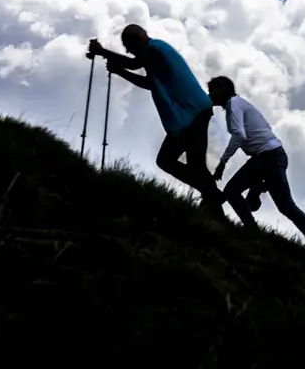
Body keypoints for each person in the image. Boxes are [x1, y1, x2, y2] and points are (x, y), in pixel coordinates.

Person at [86, 26, 256, 227]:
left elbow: (134, 65)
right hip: (195, 112)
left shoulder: (153, 51)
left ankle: (213, 196)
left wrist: (104, 53)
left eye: (130, 47)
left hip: (190, 115)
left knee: (166, 160)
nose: (129, 51)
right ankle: (216, 211)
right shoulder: (157, 48)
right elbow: (149, 80)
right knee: (196, 167)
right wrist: (118, 68)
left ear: (138, 41)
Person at [207, 75, 305, 254]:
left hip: (267, 157)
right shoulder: (239, 104)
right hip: (272, 156)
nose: (210, 94)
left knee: (234, 192)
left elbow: (240, 136)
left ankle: (253, 231)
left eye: (213, 90)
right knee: (285, 206)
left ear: (222, 90)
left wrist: (222, 162)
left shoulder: (234, 104)